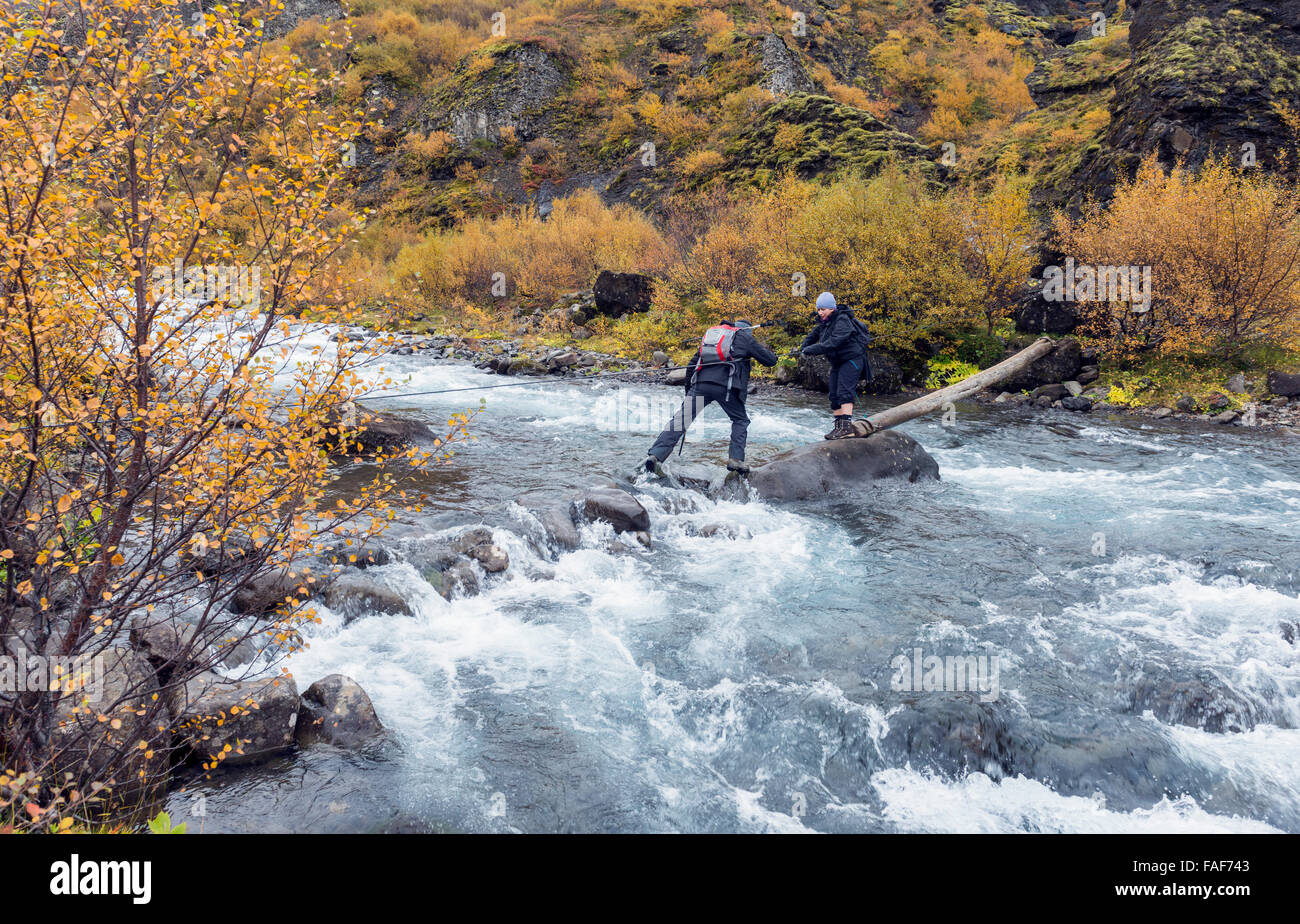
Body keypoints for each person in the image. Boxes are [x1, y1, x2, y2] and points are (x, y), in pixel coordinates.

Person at [645, 319, 778, 474]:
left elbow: (691, 365)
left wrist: (689, 391)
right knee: (740, 420)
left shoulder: (713, 339)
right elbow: (769, 361)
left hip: (700, 385)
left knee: (682, 419)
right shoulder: (745, 337)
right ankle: (735, 459)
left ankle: (655, 455)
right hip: (726, 388)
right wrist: (775, 357)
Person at [794, 291, 873, 440]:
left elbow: (833, 343)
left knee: (844, 392)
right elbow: (813, 335)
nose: (820, 312)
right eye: (818, 309)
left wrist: (812, 350)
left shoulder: (842, 320)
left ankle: (846, 428)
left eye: (823, 309)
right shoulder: (824, 323)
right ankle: (838, 427)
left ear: (832, 309)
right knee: (834, 395)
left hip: (852, 359)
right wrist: (803, 347)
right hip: (838, 361)